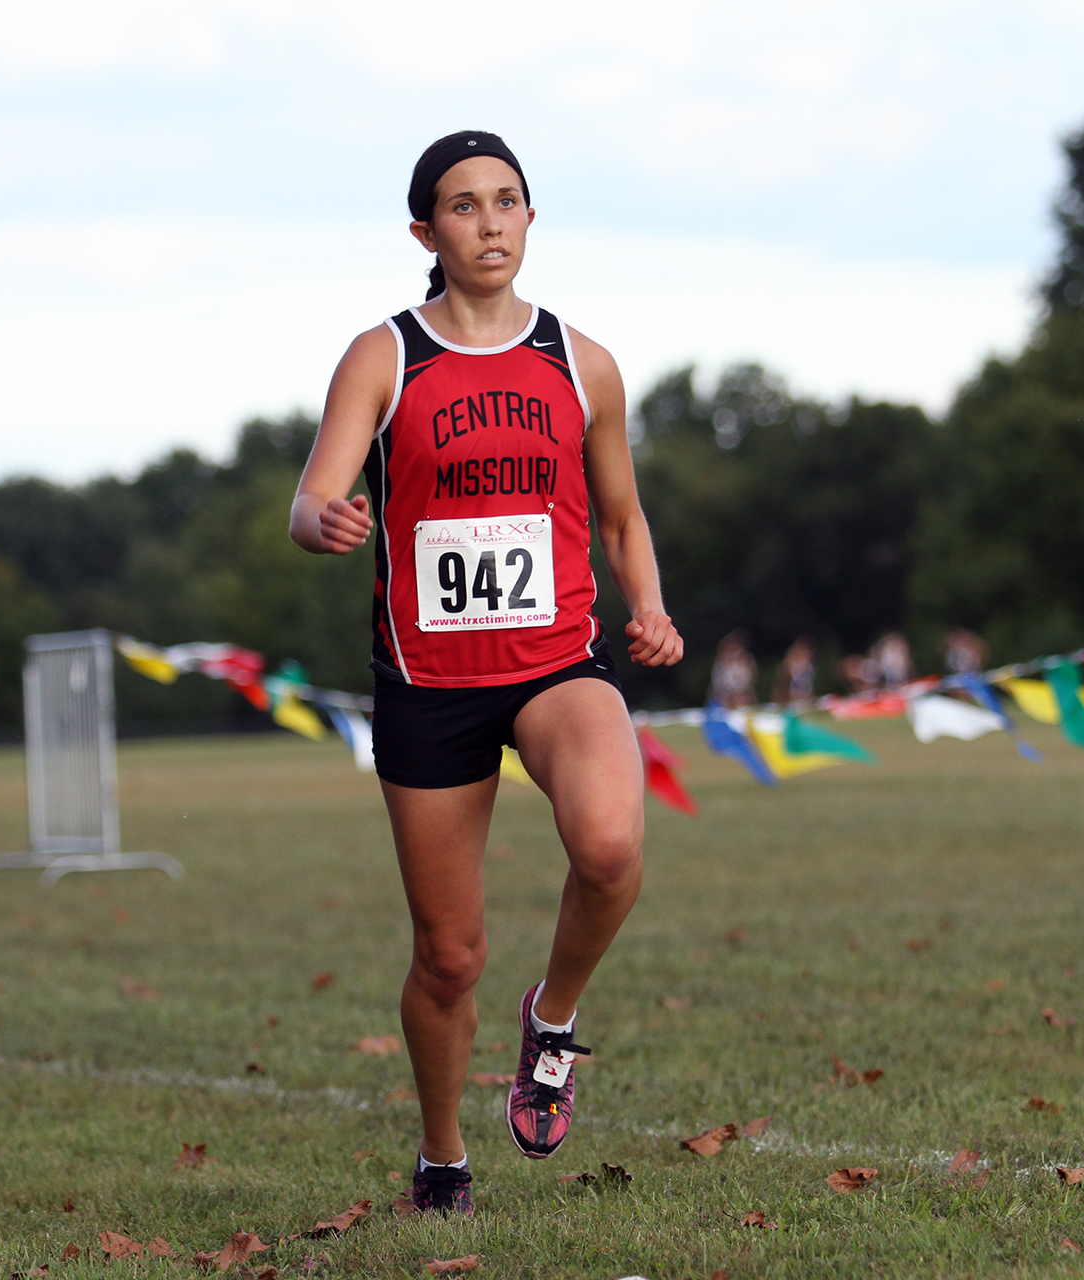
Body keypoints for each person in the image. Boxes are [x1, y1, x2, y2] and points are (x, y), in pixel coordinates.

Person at [289, 130, 683, 1216]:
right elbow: (309, 494)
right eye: (464, 206)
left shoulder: (581, 359)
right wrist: (324, 519)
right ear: (426, 231)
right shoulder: (385, 356)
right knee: (448, 956)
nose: (490, 221)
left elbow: (619, 511)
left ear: (531, 218)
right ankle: (443, 1155)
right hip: (429, 685)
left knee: (610, 844)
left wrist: (645, 604)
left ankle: (551, 1019)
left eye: (508, 201)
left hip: (559, 662)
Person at [708, 631, 757, 709]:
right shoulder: (721, 663)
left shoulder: (746, 660)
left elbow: (750, 679)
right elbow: (717, 683)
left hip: (741, 695)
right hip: (724, 696)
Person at [772, 636, 816, 705]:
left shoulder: (809, 666)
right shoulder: (789, 664)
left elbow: (808, 685)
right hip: (791, 698)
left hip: (805, 698)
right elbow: (783, 683)